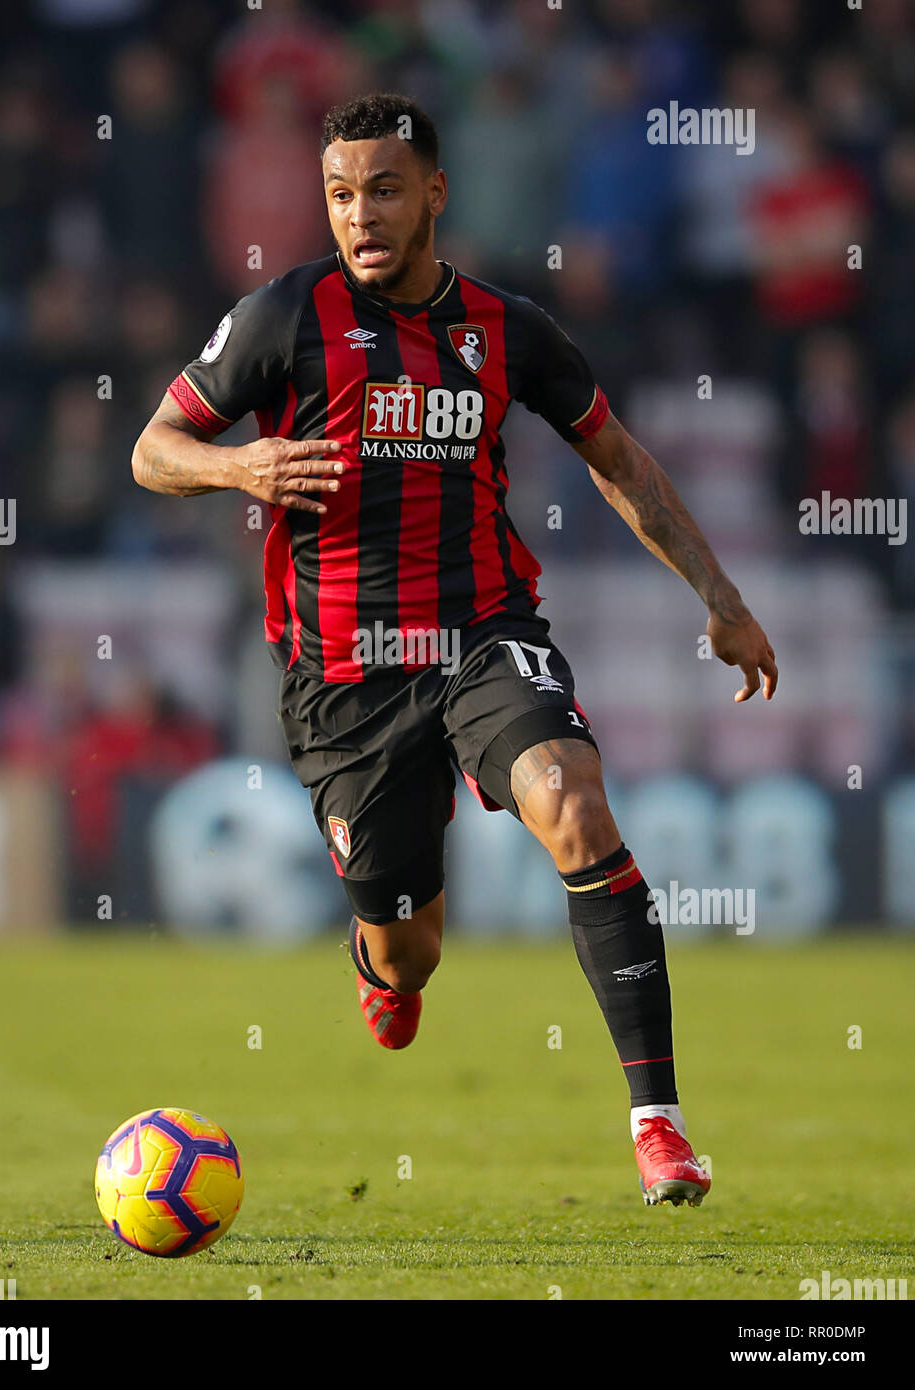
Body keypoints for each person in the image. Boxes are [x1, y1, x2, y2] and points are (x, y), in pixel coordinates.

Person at [132, 92, 778, 1208]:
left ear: (434, 190)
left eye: (383, 188)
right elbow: (154, 447)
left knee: (577, 806)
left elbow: (614, 457)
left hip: (483, 637)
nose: (360, 215)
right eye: (340, 194)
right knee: (409, 951)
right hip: (342, 678)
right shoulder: (286, 315)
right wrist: (240, 468)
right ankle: (380, 957)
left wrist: (719, 595)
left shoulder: (506, 328)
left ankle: (659, 1126)